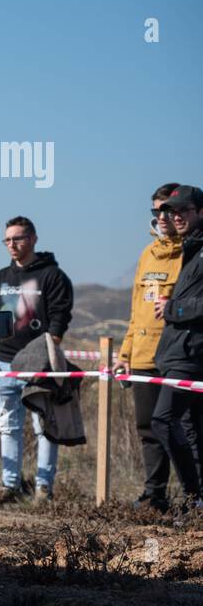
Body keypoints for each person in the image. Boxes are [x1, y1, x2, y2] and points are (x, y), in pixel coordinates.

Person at [115, 185, 198, 511]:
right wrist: (126, 352)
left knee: (183, 427)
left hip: (180, 352)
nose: (163, 217)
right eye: (157, 211)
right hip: (146, 352)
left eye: (169, 210)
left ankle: (192, 498)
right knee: (149, 427)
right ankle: (155, 494)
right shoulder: (148, 253)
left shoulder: (190, 250)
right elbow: (137, 309)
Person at [0, 217, 74, 501]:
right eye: (7, 240)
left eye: (18, 238)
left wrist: (47, 351)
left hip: (39, 365)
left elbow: (60, 319)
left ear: (33, 239)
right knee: (8, 424)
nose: (12, 245)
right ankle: (10, 486)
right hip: (4, 364)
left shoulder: (52, 276)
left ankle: (43, 487)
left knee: (43, 426)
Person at [150, 184, 203, 509]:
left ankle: (194, 497)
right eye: (171, 211)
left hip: (191, 353)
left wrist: (173, 309)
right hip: (180, 352)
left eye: (184, 210)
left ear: (200, 212)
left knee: (163, 420)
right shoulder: (192, 248)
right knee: (192, 428)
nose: (176, 216)